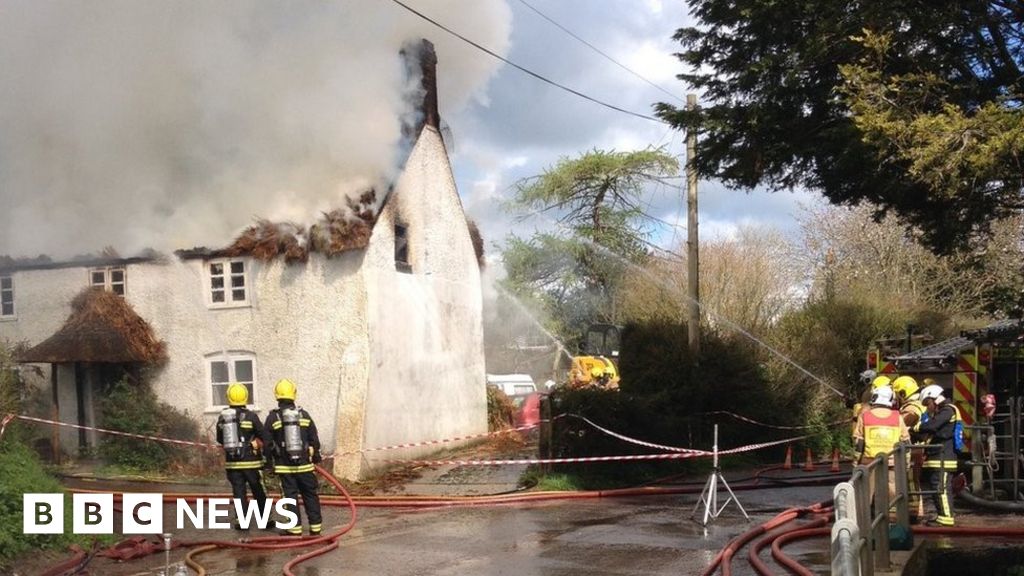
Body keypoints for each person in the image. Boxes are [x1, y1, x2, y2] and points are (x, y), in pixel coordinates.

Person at [264, 378, 323, 536]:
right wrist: (315, 455)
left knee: (289, 497)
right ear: (294, 394)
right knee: (310, 494)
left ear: (276, 396)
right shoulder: (304, 415)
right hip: (305, 466)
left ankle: (294, 529)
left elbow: (267, 444)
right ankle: (316, 527)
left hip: (285, 468)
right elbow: (315, 440)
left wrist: (268, 464)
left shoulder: (273, 418)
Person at [215, 383, 271, 530]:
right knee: (258, 490)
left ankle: (242, 522)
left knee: (239, 492)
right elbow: (264, 435)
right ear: (246, 396)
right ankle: (264, 520)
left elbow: (220, 439)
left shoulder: (223, 417)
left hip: (233, 465)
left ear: (229, 397)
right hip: (252, 463)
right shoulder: (251, 416)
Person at [852, 385, 910, 511]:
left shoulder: (865, 416)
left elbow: (859, 443)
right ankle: (894, 520)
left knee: (866, 493)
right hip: (891, 462)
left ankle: (864, 520)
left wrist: (856, 462)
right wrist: (906, 463)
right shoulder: (897, 417)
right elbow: (906, 441)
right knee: (892, 493)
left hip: (869, 461)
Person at [915, 384, 958, 526]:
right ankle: (942, 516)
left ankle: (946, 518)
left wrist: (917, 427)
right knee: (937, 487)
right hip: (938, 456)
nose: (928, 408)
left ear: (935, 399)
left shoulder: (948, 410)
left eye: (928, 403)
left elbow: (933, 426)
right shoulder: (943, 411)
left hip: (944, 457)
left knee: (942, 488)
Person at [892, 375, 925, 521]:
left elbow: (904, 423)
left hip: (914, 449)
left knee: (911, 482)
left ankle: (914, 514)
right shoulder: (918, 403)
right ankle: (916, 511)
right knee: (913, 482)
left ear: (903, 393)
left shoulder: (911, 408)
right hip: (916, 448)